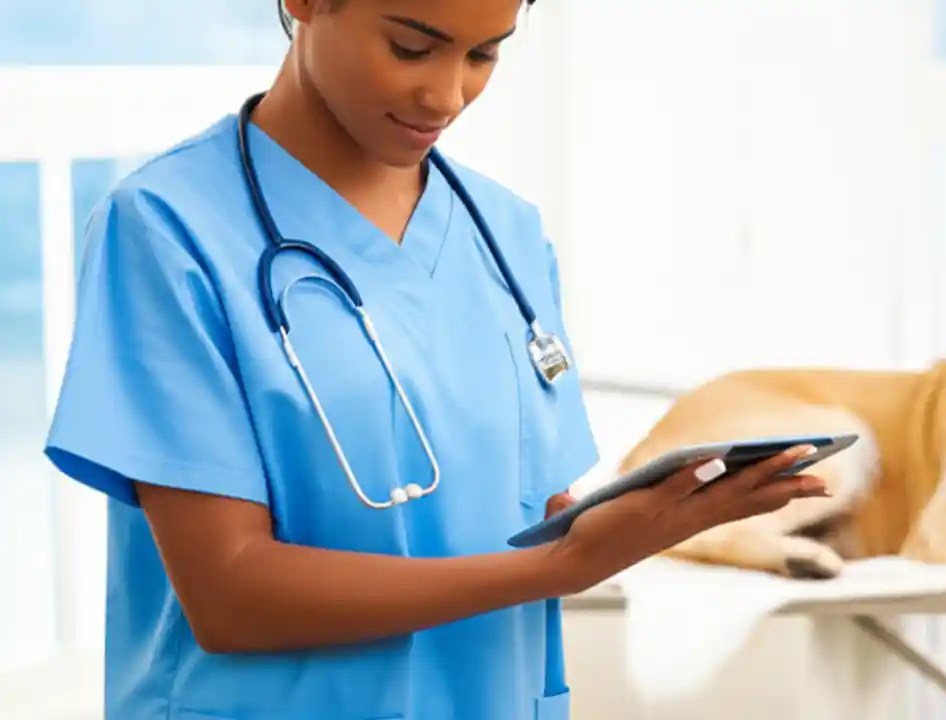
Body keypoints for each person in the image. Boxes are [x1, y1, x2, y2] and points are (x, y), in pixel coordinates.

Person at [43, 1, 829, 718]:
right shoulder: (166, 229)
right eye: (412, 47)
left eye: (485, 55)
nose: (446, 97)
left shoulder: (507, 235)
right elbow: (229, 595)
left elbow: (543, 520)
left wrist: (656, 519)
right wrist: (561, 569)